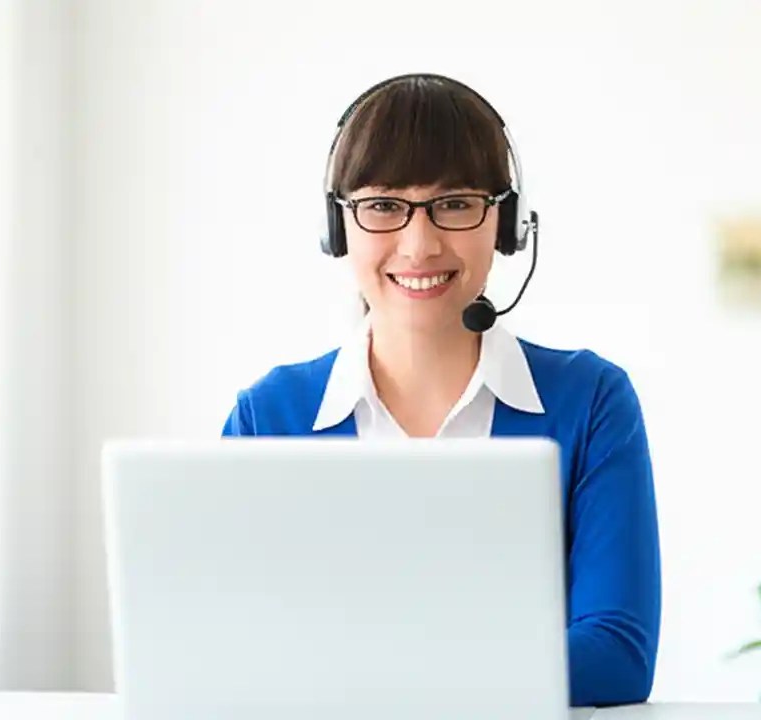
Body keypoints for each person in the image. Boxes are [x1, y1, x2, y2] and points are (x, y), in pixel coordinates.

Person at [221, 73, 660, 707]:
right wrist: (472, 664)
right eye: (383, 205)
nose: (420, 244)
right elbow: (231, 649)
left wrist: (359, 665)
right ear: (337, 226)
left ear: (506, 223)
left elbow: (616, 656)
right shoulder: (268, 417)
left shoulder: (590, 402)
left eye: (454, 204)